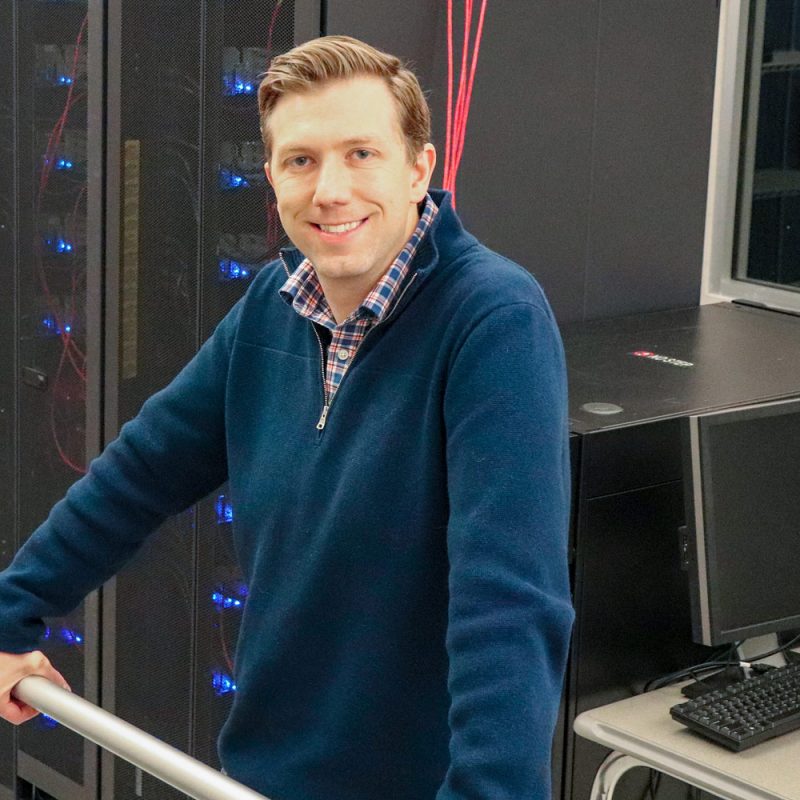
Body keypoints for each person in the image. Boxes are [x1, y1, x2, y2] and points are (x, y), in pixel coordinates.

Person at [0, 35, 574, 800]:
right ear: (271, 178)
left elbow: (508, 601)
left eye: (362, 153)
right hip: (266, 771)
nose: (330, 189)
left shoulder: (493, 320)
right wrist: (11, 615)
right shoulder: (269, 312)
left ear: (419, 168)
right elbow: (135, 476)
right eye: (301, 161)